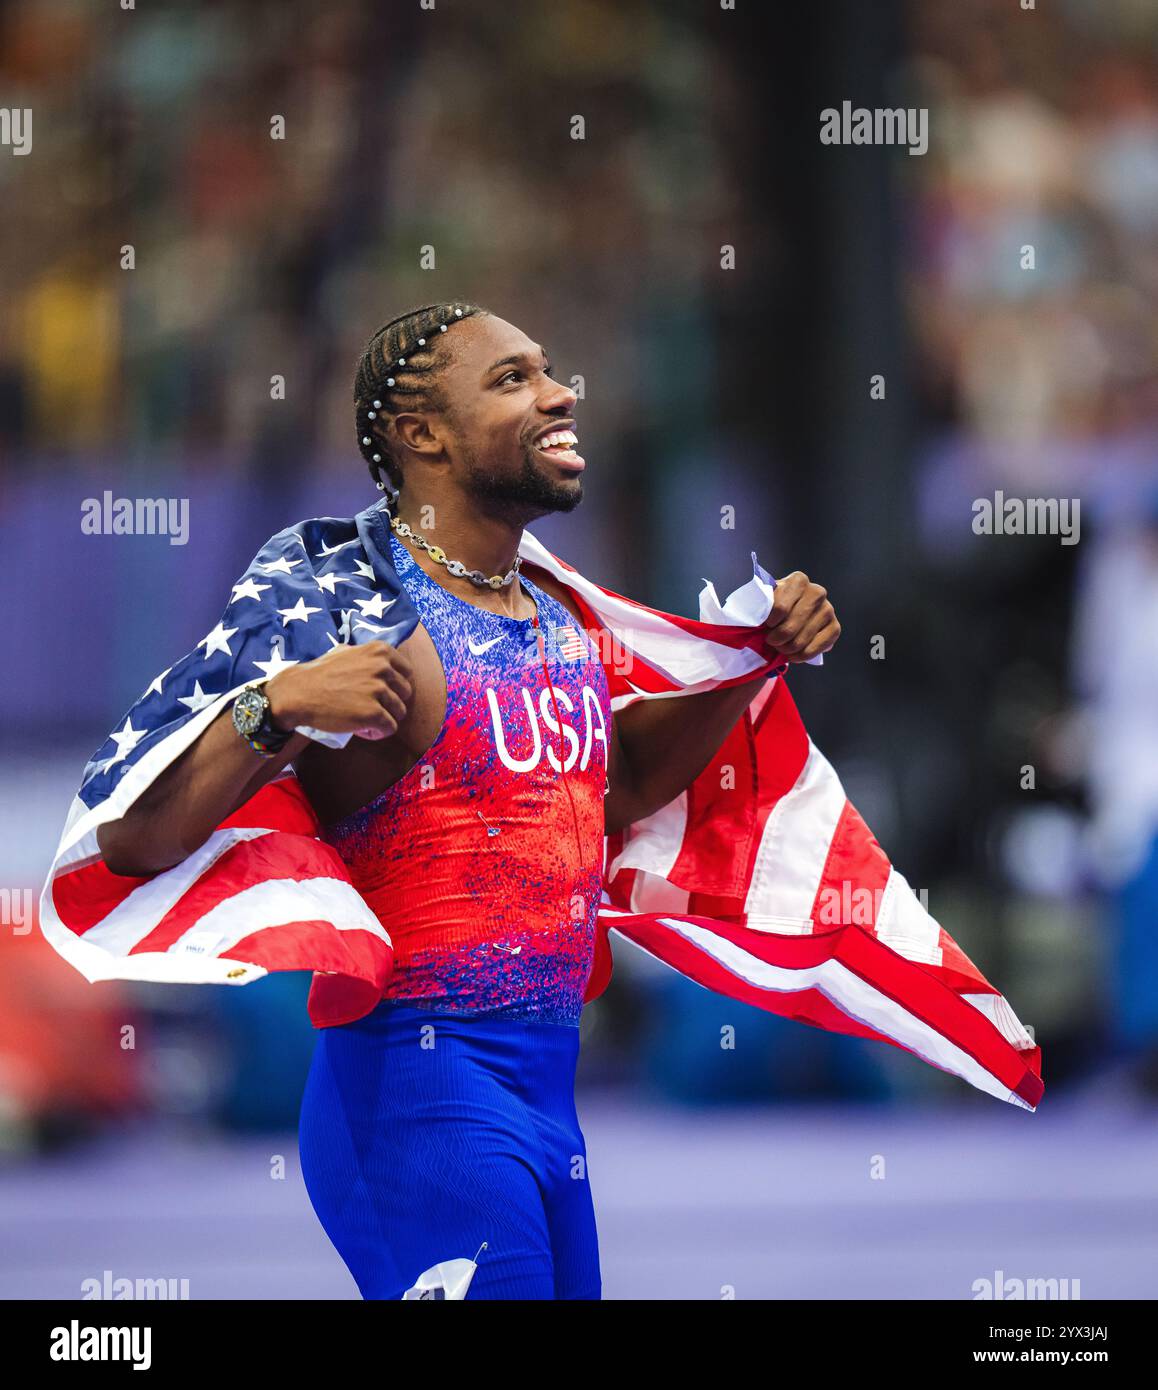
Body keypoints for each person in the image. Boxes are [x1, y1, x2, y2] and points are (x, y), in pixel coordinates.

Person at [96, 301, 841, 1300]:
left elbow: (603, 788)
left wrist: (748, 663)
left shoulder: (556, 611)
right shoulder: (346, 595)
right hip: (416, 1092)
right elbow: (136, 836)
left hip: (547, 1098)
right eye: (514, 379)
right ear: (421, 433)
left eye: (550, 369)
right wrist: (274, 705)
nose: (559, 392)